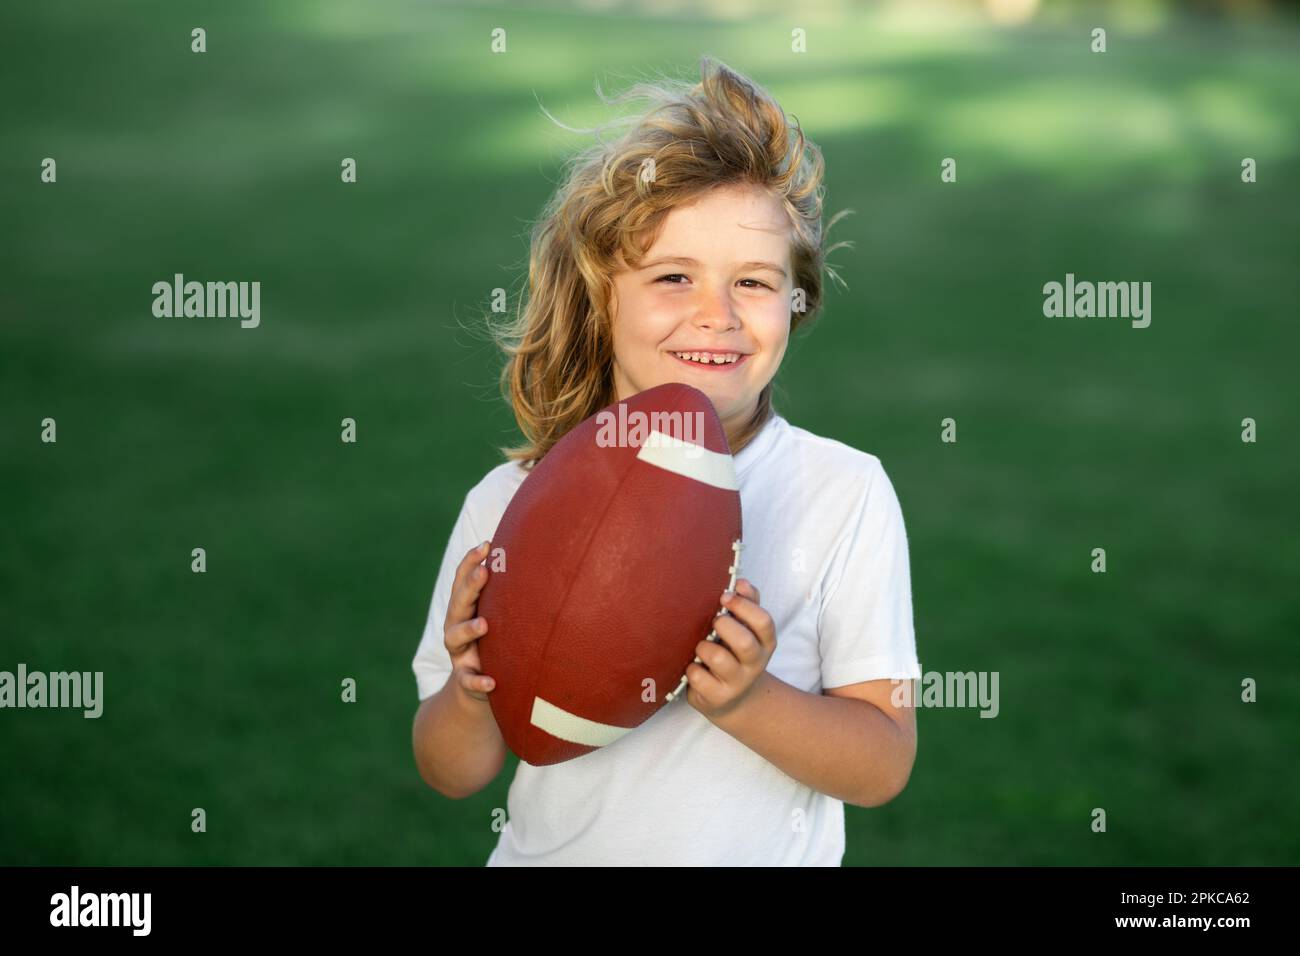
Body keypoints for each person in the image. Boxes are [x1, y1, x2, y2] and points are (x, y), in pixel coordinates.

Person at [411, 56, 921, 865]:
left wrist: (750, 700)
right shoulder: (514, 497)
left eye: (753, 282)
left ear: (798, 302)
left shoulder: (843, 491)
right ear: (600, 296)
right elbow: (453, 770)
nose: (714, 316)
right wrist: (474, 692)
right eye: (673, 276)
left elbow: (882, 761)